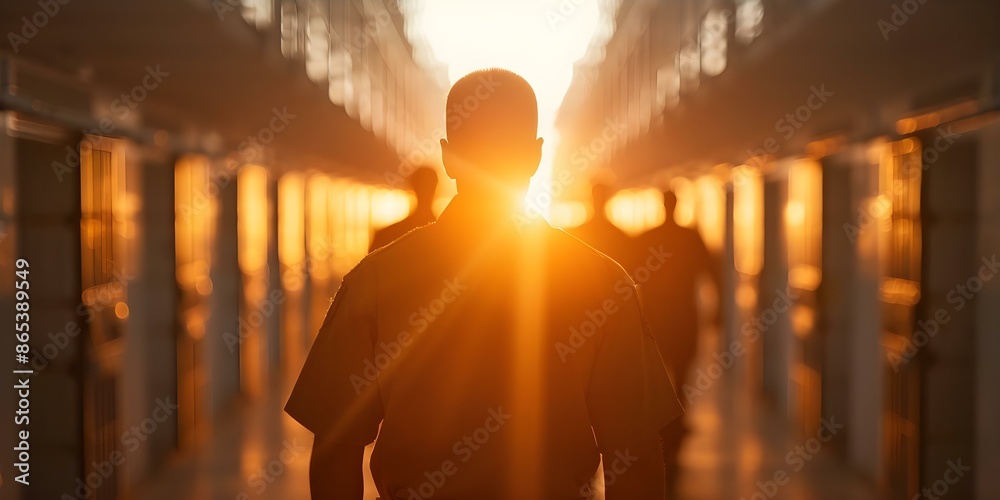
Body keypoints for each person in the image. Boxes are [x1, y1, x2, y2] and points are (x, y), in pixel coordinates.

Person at [285, 68, 683, 500]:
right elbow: (635, 454)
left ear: (449, 156)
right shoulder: (602, 282)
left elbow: (334, 449)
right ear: (534, 156)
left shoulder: (375, 280)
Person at [632, 190, 720, 492]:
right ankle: (673, 420)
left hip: (660, 317)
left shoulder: (648, 237)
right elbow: (712, 272)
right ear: (674, 204)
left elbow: (630, 277)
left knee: (666, 371)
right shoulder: (688, 237)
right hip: (679, 315)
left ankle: (667, 420)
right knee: (678, 370)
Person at [370, 166, 439, 252]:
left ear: (413, 186)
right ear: (436, 187)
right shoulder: (445, 235)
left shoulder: (386, 235)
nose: (425, 190)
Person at [569, 182, 633, 266]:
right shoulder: (619, 235)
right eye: (597, 198)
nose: (598, 202)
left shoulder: (579, 234)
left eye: (601, 197)